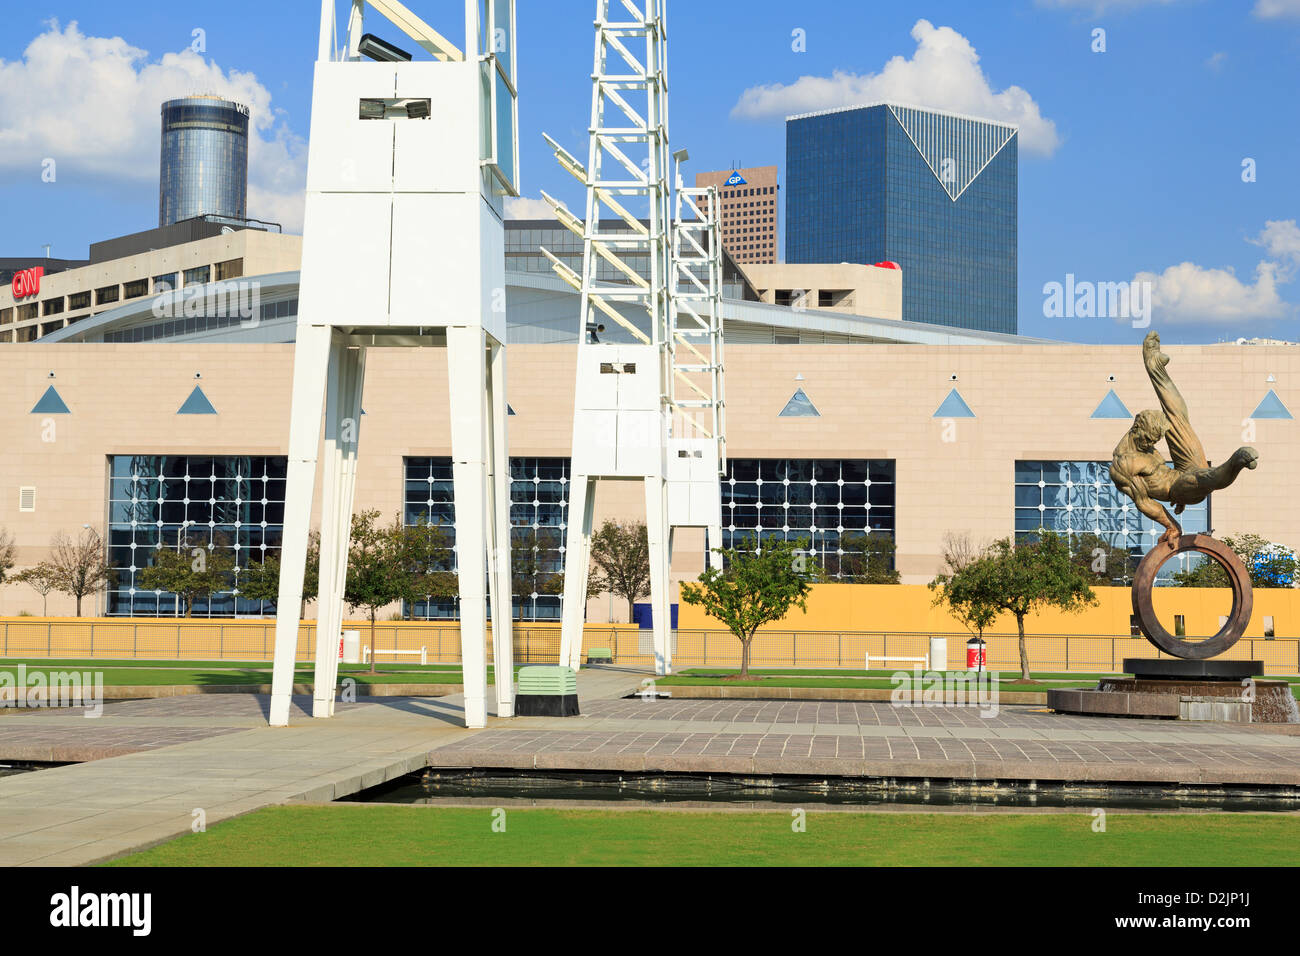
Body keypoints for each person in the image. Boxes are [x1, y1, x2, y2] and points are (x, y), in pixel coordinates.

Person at [1109, 331, 1258, 546]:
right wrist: (1171, 525)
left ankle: (1154, 365)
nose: (1153, 444)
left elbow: (1164, 432)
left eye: (1155, 440)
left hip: (1180, 472)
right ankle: (1236, 462)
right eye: (1151, 440)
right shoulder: (1123, 466)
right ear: (1137, 430)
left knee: (1177, 417)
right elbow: (1144, 502)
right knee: (1201, 477)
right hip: (1179, 487)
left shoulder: (1144, 444)